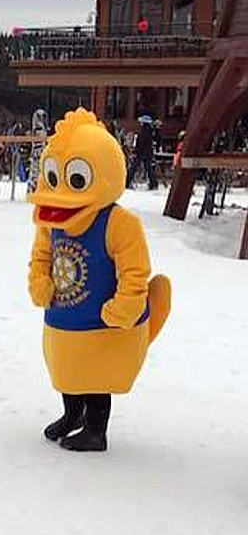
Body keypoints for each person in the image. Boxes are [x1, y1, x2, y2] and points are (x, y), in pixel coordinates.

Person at [27, 108, 171, 452]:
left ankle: (95, 429)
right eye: (54, 177)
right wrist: (39, 282)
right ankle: (72, 414)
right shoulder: (52, 221)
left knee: (98, 376)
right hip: (63, 318)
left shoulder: (119, 223)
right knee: (67, 370)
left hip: (105, 324)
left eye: (76, 179)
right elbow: (41, 256)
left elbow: (135, 270)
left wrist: (125, 306)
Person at [126, 115, 158, 191]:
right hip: (147, 153)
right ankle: (153, 183)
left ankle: (127, 182)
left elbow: (140, 143)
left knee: (134, 167)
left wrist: (136, 151)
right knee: (148, 168)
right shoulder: (149, 131)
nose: (140, 123)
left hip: (141, 153)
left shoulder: (143, 131)